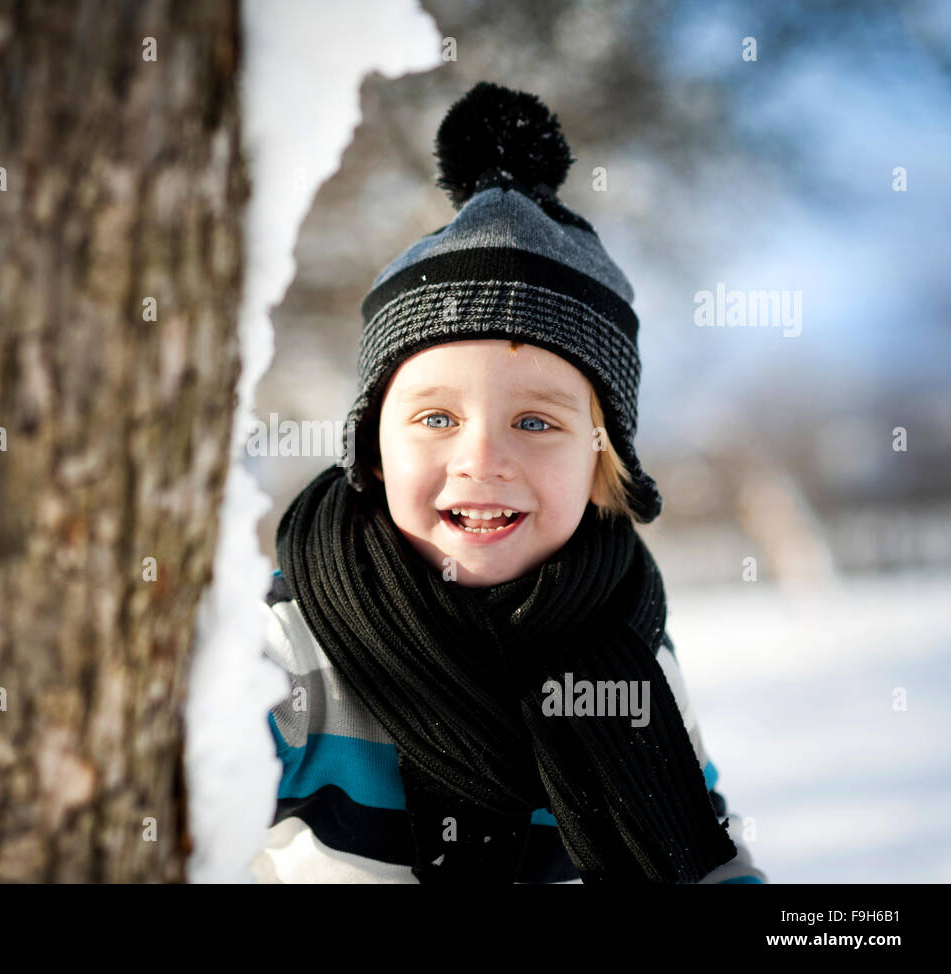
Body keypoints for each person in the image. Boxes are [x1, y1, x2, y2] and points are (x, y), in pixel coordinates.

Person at [251, 82, 767, 884]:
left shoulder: (630, 640)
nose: (482, 460)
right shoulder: (297, 642)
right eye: (434, 419)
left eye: (535, 423)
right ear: (372, 453)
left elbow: (705, 850)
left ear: (603, 467)